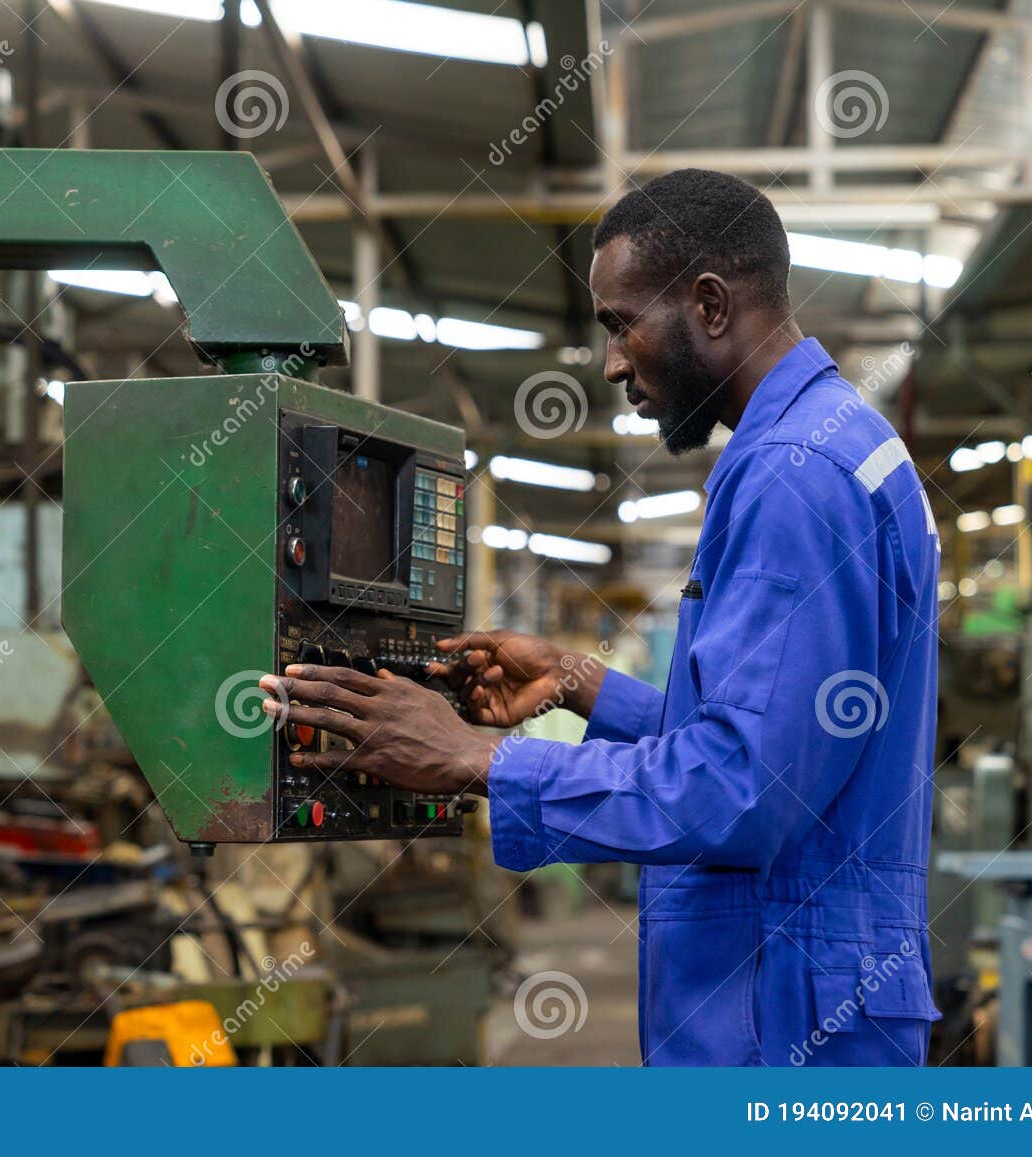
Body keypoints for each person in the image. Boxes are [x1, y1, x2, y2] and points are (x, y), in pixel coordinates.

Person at [260, 169, 941, 1066]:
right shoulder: (841, 441)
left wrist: (480, 758)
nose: (614, 363)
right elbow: (786, 746)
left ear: (707, 304)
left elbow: (746, 793)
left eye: (622, 324)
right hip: (813, 989)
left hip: (781, 1020)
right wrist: (579, 685)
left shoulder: (793, 478)